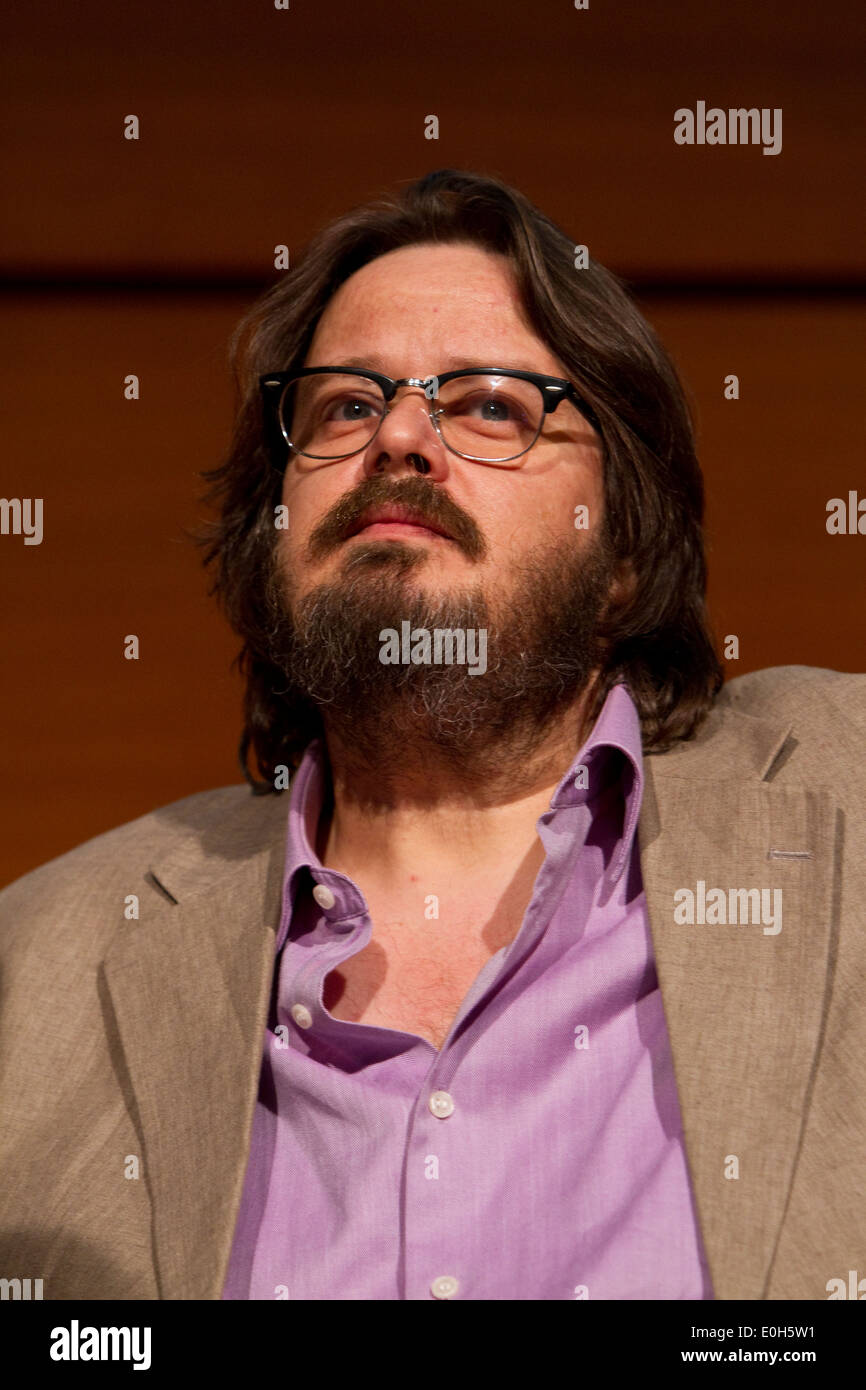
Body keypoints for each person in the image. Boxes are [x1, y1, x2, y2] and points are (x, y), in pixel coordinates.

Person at [0, 169, 862, 1302]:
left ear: (621, 555)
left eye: (490, 404)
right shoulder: (35, 967)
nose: (400, 435)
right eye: (345, 407)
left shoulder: (845, 789)